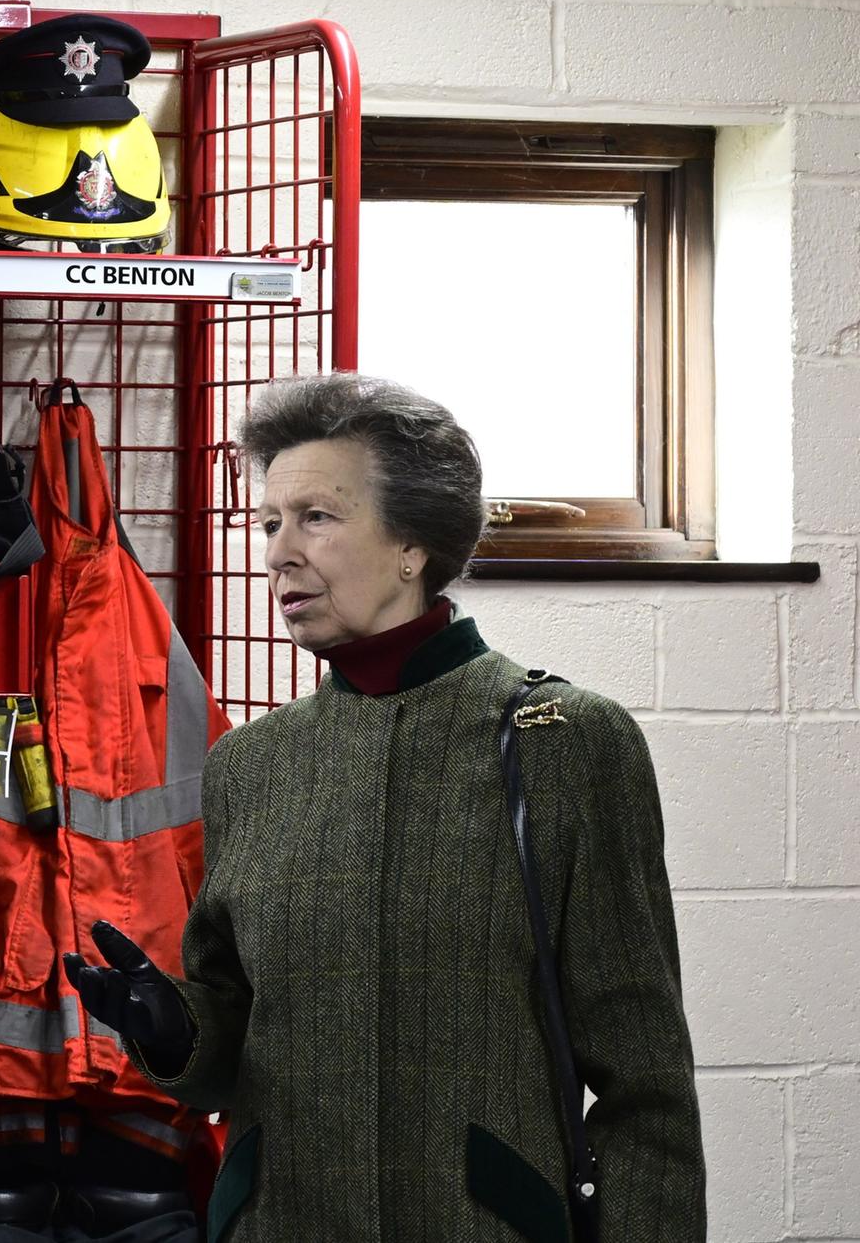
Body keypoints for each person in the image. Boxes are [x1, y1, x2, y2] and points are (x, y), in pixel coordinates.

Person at [63, 374, 705, 1241]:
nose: (279, 552)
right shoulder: (250, 765)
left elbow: (646, 1086)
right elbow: (236, 1037)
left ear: (413, 544)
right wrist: (175, 1027)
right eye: (270, 523)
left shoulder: (566, 742)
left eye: (316, 517)